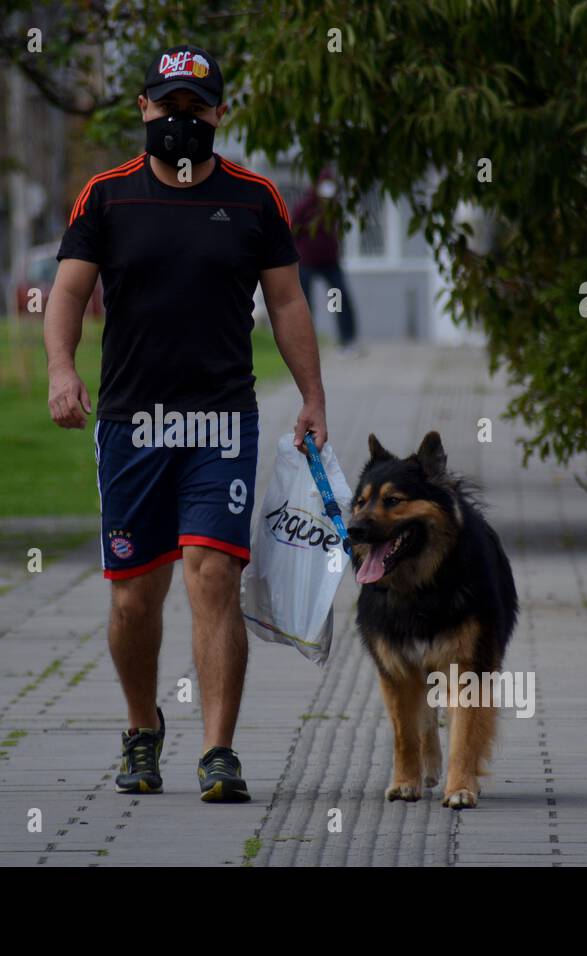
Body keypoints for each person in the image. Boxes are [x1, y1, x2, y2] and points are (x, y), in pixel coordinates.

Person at [44, 44, 327, 803]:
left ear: (218, 115)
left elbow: (288, 303)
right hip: (132, 421)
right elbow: (67, 295)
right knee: (135, 595)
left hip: (221, 420)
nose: (180, 120)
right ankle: (143, 728)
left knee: (213, 573)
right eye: (167, 107)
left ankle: (218, 750)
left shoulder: (255, 199)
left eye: (195, 109)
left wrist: (313, 398)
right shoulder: (105, 197)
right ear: (143, 109)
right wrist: (62, 371)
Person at [291, 168, 361, 353]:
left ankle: (346, 340)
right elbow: (292, 232)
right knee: (305, 305)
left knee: (337, 302)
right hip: (307, 265)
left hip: (330, 264)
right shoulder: (304, 207)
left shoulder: (334, 208)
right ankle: (304, 346)